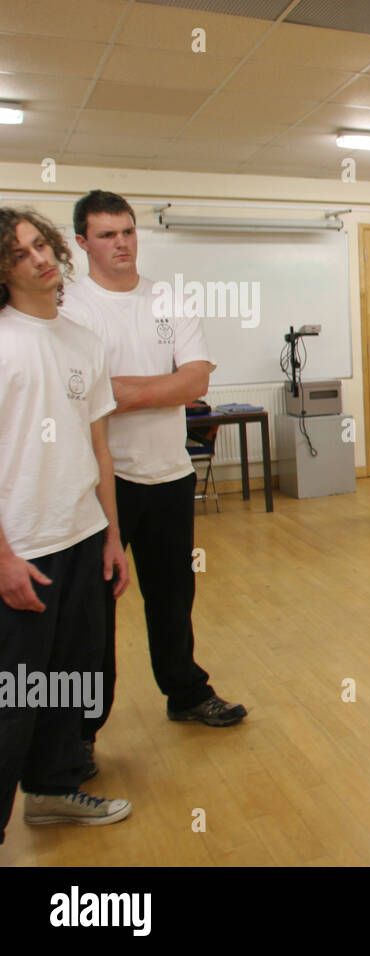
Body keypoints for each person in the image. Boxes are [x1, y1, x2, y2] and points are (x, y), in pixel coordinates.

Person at [61, 190, 245, 779]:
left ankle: (186, 693)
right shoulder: (69, 306)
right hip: (101, 482)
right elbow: (72, 392)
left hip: (171, 476)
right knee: (94, 617)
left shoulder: (169, 299)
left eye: (128, 232)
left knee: (174, 597)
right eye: (107, 234)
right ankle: (81, 732)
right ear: (83, 241)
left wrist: (112, 392)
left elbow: (193, 384)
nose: (121, 243)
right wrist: (152, 388)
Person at [0, 208, 132, 836]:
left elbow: (98, 448)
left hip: (83, 535)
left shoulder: (83, 340)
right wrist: (2, 557)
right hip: (22, 547)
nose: (39, 258)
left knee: (76, 679)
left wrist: (112, 536)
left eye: (41, 244)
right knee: (15, 701)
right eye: (21, 252)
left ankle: (53, 789)